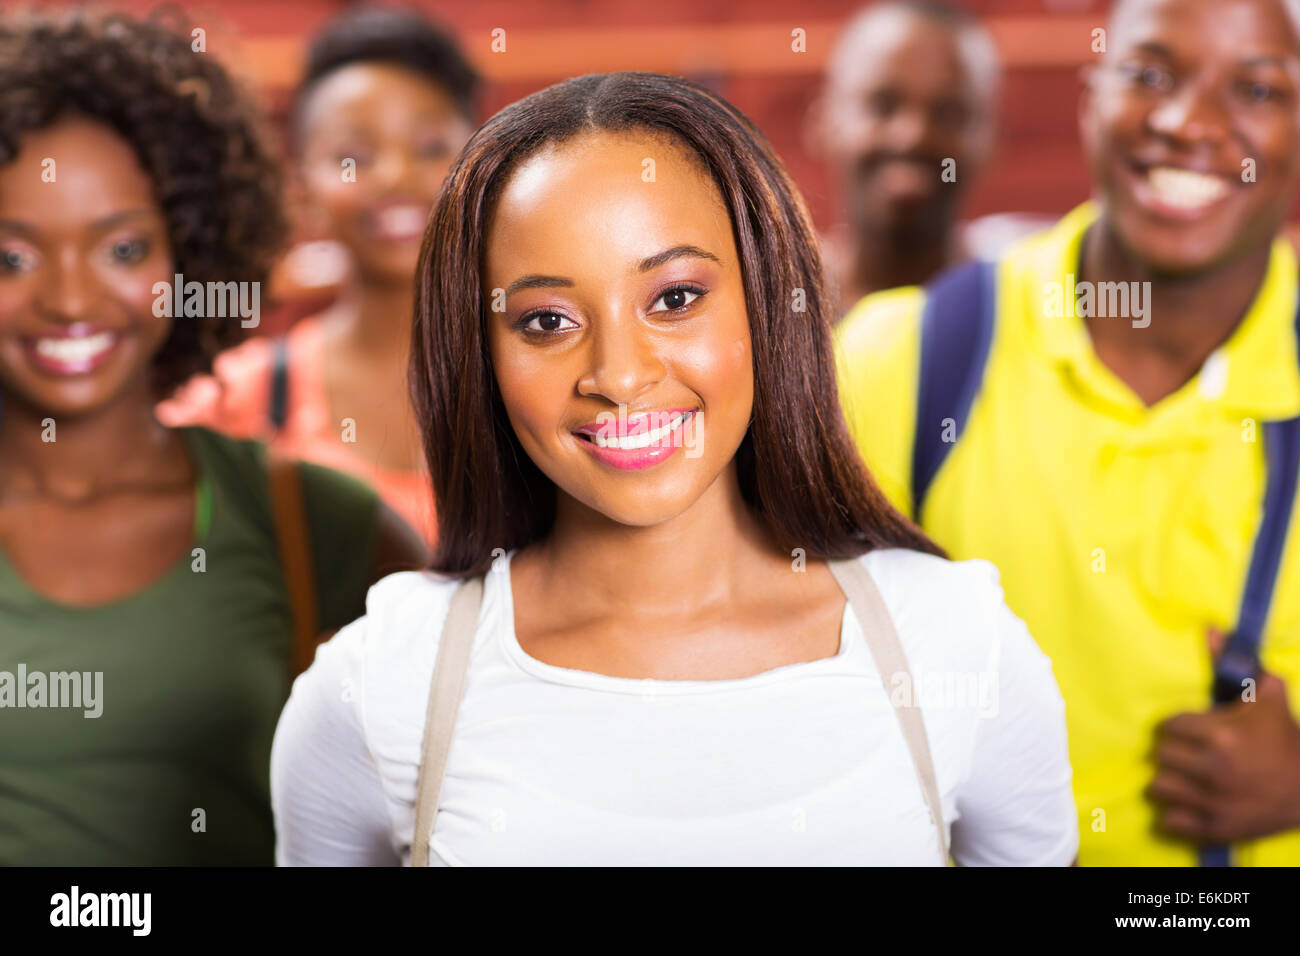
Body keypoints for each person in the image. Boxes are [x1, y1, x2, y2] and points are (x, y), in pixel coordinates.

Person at [270, 71, 1078, 867]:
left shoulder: (956, 646)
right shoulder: (380, 689)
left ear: (767, 298)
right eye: (547, 321)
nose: (619, 375)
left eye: (675, 299)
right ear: (481, 354)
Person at [835, 0, 1300, 866]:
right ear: (1091, 99)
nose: (1188, 121)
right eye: (1150, 74)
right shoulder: (902, 360)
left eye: (1257, 88)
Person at [0, 8, 425, 866]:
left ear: (189, 252)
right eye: (12, 257)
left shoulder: (318, 522)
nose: (71, 300)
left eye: (122, 249)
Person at [156, 6, 480, 546]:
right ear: (303, 187)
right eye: (354, 156)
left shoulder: (532, 373)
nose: (396, 176)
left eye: (430, 148)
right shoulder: (239, 397)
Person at [809, 0, 1003, 313]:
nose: (912, 136)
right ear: (822, 120)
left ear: (989, 137)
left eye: (948, 114)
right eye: (882, 105)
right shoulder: (767, 308)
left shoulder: (1016, 302)